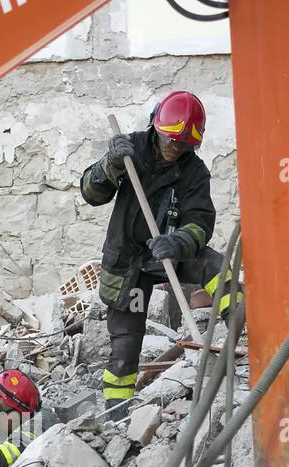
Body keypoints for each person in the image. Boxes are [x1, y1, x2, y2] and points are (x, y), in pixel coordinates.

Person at [80, 91, 216, 419]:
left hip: (167, 253)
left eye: (183, 145)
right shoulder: (131, 152)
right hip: (128, 264)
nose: (175, 149)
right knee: (126, 343)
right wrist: (109, 165)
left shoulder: (194, 172)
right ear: (156, 128)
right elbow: (90, 193)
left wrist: (180, 241)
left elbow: (201, 220)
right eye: (170, 140)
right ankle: (118, 414)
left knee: (217, 268)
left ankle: (237, 340)